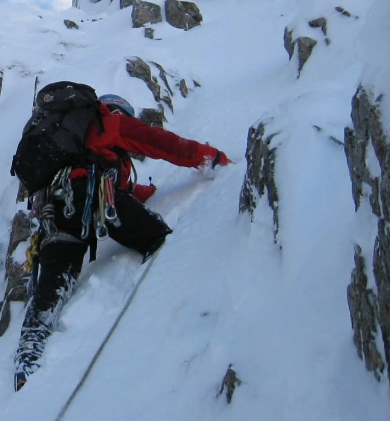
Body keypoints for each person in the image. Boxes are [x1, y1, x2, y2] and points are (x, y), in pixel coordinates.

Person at [13, 91, 231, 390]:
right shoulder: (110, 123)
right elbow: (163, 144)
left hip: (58, 212)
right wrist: (214, 158)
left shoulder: (78, 144)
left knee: (52, 287)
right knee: (157, 238)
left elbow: (124, 190)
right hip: (94, 198)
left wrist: (148, 193)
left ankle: (29, 353)